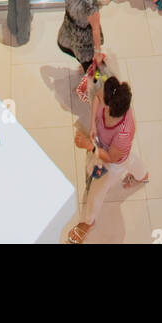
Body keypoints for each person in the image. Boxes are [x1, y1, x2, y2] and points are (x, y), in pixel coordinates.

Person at [67, 75, 148, 244]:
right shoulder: (114, 94)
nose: (99, 97)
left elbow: (111, 157)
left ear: (110, 107)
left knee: (97, 191)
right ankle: (142, 175)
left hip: (113, 162)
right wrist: (93, 125)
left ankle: (88, 222)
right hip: (113, 149)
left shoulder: (124, 134)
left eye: (103, 100)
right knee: (130, 160)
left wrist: (91, 146)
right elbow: (97, 96)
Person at [49, 0, 104, 72]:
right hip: (69, 27)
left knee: (92, 70)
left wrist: (98, 51)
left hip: (83, 38)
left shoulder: (89, 1)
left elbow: (95, 28)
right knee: (64, 46)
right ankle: (86, 68)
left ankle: (97, 84)